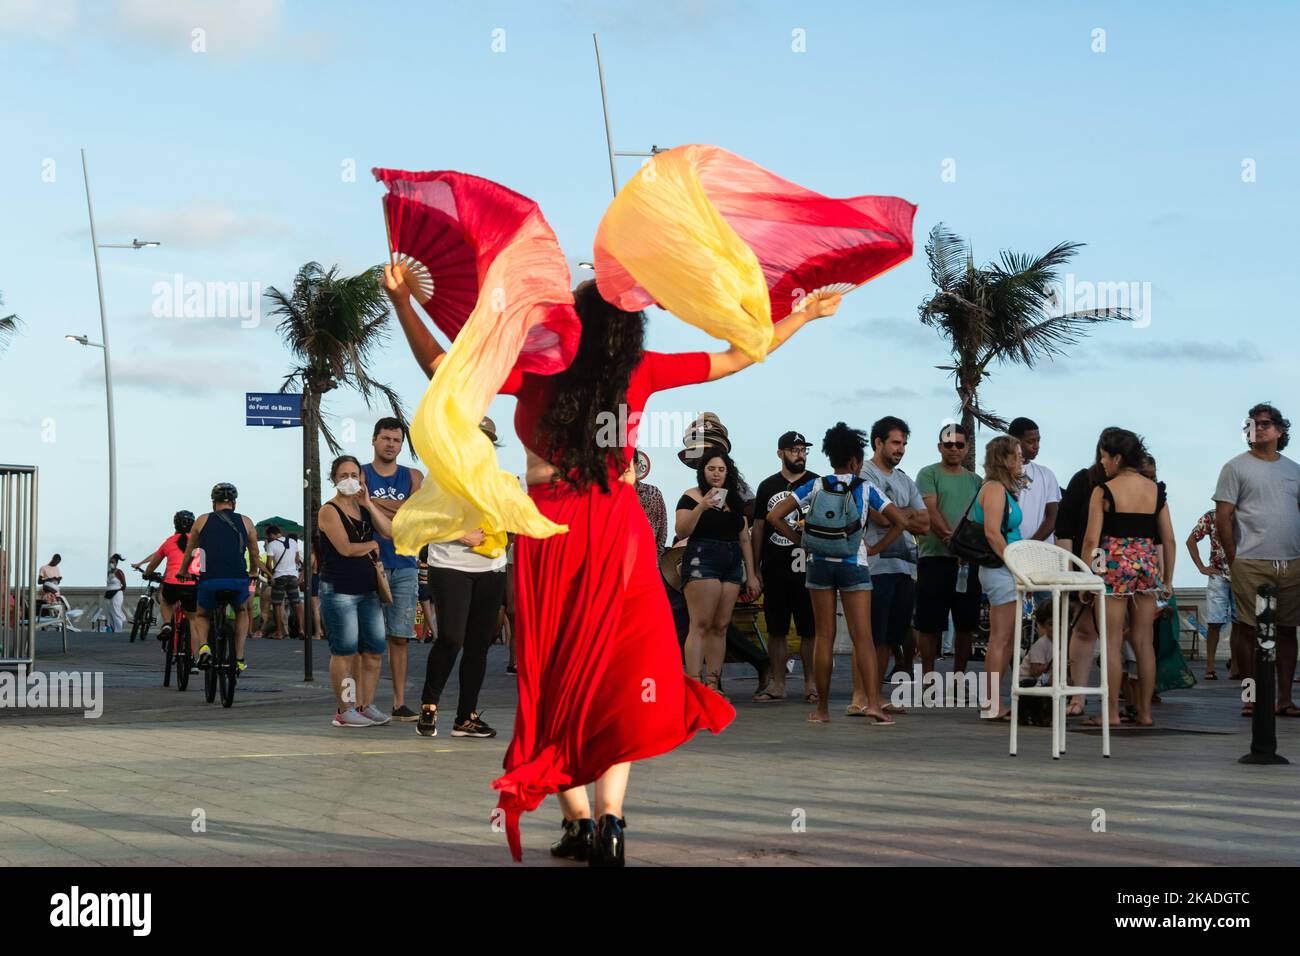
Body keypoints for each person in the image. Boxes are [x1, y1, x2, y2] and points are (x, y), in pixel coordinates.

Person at [386, 264, 841, 864]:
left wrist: (402, 300)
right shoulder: (641, 371)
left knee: (554, 670)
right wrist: (803, 315)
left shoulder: (538, 372)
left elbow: (441, 369)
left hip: (552, 530)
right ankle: (609, 820)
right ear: (629, 332)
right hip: (616, 526)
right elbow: (738, 357)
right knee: (620, 673)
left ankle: (576, 820)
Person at [767, 422, 908, 724]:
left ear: (830, 457)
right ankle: (872, 704)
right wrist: (874, 548)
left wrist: (802, 542)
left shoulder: (816, 485)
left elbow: (774, 516)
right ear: (857, 461)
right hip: (853, 565)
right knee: (864, 638)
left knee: (824, 637)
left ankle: (821, 710)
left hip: (819, 564)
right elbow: (899, 522)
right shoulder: (866, 488)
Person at [415, 417, 509, 740]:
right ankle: (429, 704)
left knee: (479, 644)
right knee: (451, 638)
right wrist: (459, 533)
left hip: (492, 568)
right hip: (451, 565)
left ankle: (465, 716)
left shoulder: (497, 478)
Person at [1081, 429, 1175, 727]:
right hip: (1147, 565)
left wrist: (1087, 575)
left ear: (1117, 457)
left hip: (1114, 566)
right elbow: (1169, 540)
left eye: (1104, 456)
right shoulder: (1155, 490)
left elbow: (1091, 540)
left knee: (1110, 642)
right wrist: (1168, 579)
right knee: (1144, 642)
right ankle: (1145, 712)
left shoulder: (1103, 490)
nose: (1102, 462)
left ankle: (1111, 713)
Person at [1214, 402, 1300, 717]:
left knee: (1288, 630)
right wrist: (1233, 556)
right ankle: (1250, 696)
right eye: (1252, 423)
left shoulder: (1294, 470)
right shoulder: (1235, 467)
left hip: (1291, 561)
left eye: (1265, 423)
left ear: (1280, 430)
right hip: (1249, 560)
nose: (1258, 428)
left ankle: (1284, 698)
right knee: (1248, 630)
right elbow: (1223, 516)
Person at [856, 416, 928, 716]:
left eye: (904, 444)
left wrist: (902, 513)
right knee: (871, 634)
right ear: (878, 442)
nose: (900, 449)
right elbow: (881, 517)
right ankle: (859, 696)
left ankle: (875, 695)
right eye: (896, 443)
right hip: (873, 566)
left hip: (904, 567)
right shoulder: (865, 473)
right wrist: (905, 514)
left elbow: (924, 524)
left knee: (889, 636)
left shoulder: (904, 480)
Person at [317, 455, 396, 727]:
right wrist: (370, 547)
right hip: (340, 590)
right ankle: (345, 709)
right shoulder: (329, 510)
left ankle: (366, 704)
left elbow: (388, 532)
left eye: (354, 475)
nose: (349, 480)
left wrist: (369, 505)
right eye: (344, 475)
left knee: (373, 649)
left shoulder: (363, 509)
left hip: (368, 590)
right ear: (334, 479)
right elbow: (345, 549)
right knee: (346, 651)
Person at [675, 450, 758, 696]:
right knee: (700, 623)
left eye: (721, 469)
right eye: (711, 469)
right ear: (703, 471)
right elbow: (681, 531)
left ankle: (713, 684)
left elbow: (745, 539)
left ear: (727, 472)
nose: (716, 474)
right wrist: (702, 506)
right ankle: (694, 683)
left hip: (732, 561)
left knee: (721, 626)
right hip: (703, 558)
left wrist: (751, 574)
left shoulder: (734, 500)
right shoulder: (690, 496)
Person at [1054, 426, 1122, 715]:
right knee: (1085, 630)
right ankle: (1078, 696)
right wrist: (1071, 572)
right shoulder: (1084, 480)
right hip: (1090, 560)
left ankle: (1114, 701)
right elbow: (1065, 527)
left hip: (1112, 563)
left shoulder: (1127, 484)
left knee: (1114, 634)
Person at [362, 417, 425, 721]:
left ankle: (399, 703)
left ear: (402, 444)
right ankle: (365, 704)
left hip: (405, 565)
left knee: (400, 637)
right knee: (369, 640)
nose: (390, 444)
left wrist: (372, 503)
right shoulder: (359, 473)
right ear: (374, 440)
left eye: (396, 440)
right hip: (368, 566)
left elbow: (415, 517)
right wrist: (397, 512)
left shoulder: (413, 476)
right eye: (385, 438)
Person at [751, 431, 818, 702]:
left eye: (803, 450)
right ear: (780, 453)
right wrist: (754, 569)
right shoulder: (767, 486)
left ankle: (811, 684)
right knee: (776, 628)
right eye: (793, 450)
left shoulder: (816, 483)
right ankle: (777, 684)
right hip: (775, 567)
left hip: (809, 568)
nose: (799, 454)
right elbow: (757, 528)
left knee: (810, 629)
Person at [913, 424, 983, 677]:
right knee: (929, 623)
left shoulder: (977, 481)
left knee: (966, 624)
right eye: (948, 444)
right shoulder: (928, 474)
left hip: (967, 563)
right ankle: (929, 678)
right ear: (939, 446)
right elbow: (929, 510)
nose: (954, 448)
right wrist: (951, 542)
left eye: (959, 444)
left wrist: (967, 550)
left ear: (967, 448)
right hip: (934, 558)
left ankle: (958, 678)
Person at [970, 435, 1026, 721]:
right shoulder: (993, 489)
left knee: (1005, 637)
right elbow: (992, 532)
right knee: (1001, 637)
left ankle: (993, 700)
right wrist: (1015, 565)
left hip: (1005, 567)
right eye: (1016, 455)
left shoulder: (1003, 489)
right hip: (1001, 568)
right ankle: (991, 701)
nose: (1021, 460)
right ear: (1003, 459)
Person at [178, 483, 259, 673]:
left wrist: (183, 571)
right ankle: (239, 658)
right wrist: (254, 571)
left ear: (213, 503)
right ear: (234, 503)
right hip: (237, 579)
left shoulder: (202, 520)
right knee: (241, 611)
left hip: (210, 580)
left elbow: (190, 550)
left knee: (202, 614)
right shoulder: (246, 522)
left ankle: (204, 646)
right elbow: (254, 551)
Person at [131, 510, 199, 646]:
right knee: (193, 620)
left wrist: (146, 573)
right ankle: (195, 659)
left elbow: (154, 563)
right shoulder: (199, 543)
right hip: (192, 585)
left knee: (166, 601)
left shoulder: (169, 542)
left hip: (172, 584)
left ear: (175, 525)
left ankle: (167, 624)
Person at [1187, 507, 1233, 680]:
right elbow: (1191, 540)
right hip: (1219, 574)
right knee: (1215, 622)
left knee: (1241, 623)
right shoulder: (1211, 516)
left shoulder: (1245, 514)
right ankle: (1210, 667)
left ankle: (1233, 665)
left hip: (1240, 574)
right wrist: (1201, 567)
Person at [1008, 417, 1061, 543]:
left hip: (1039, 554)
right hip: (1005, 551)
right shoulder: (999, 473)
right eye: (1031, 441)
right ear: (1015, 442)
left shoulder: (1046, 474)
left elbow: (1053, 516)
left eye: (1038, 440)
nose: (1036, 446)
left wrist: (1031, 545)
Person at [263, 524, 305, 641]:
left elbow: (268, 564)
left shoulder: (272, 545)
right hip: (293, 576)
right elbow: (297, 559)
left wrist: (270, 576)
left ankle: (280, 632)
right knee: (296, 603)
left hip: (279, 577)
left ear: (271, 535)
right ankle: (301, 630)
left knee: (277, 604)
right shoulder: (293, 542)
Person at [104, 554, 127, 632]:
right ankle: (112, 629)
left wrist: (118, 591)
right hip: (108, 594)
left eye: (113, 562)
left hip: (117, 594)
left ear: (116, 563)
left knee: (116, 611)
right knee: (110, 612)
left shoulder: (119, 572)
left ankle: (118, 630)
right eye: (110, 562)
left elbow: (124, 585)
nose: (111, 563)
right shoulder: (109, 572)